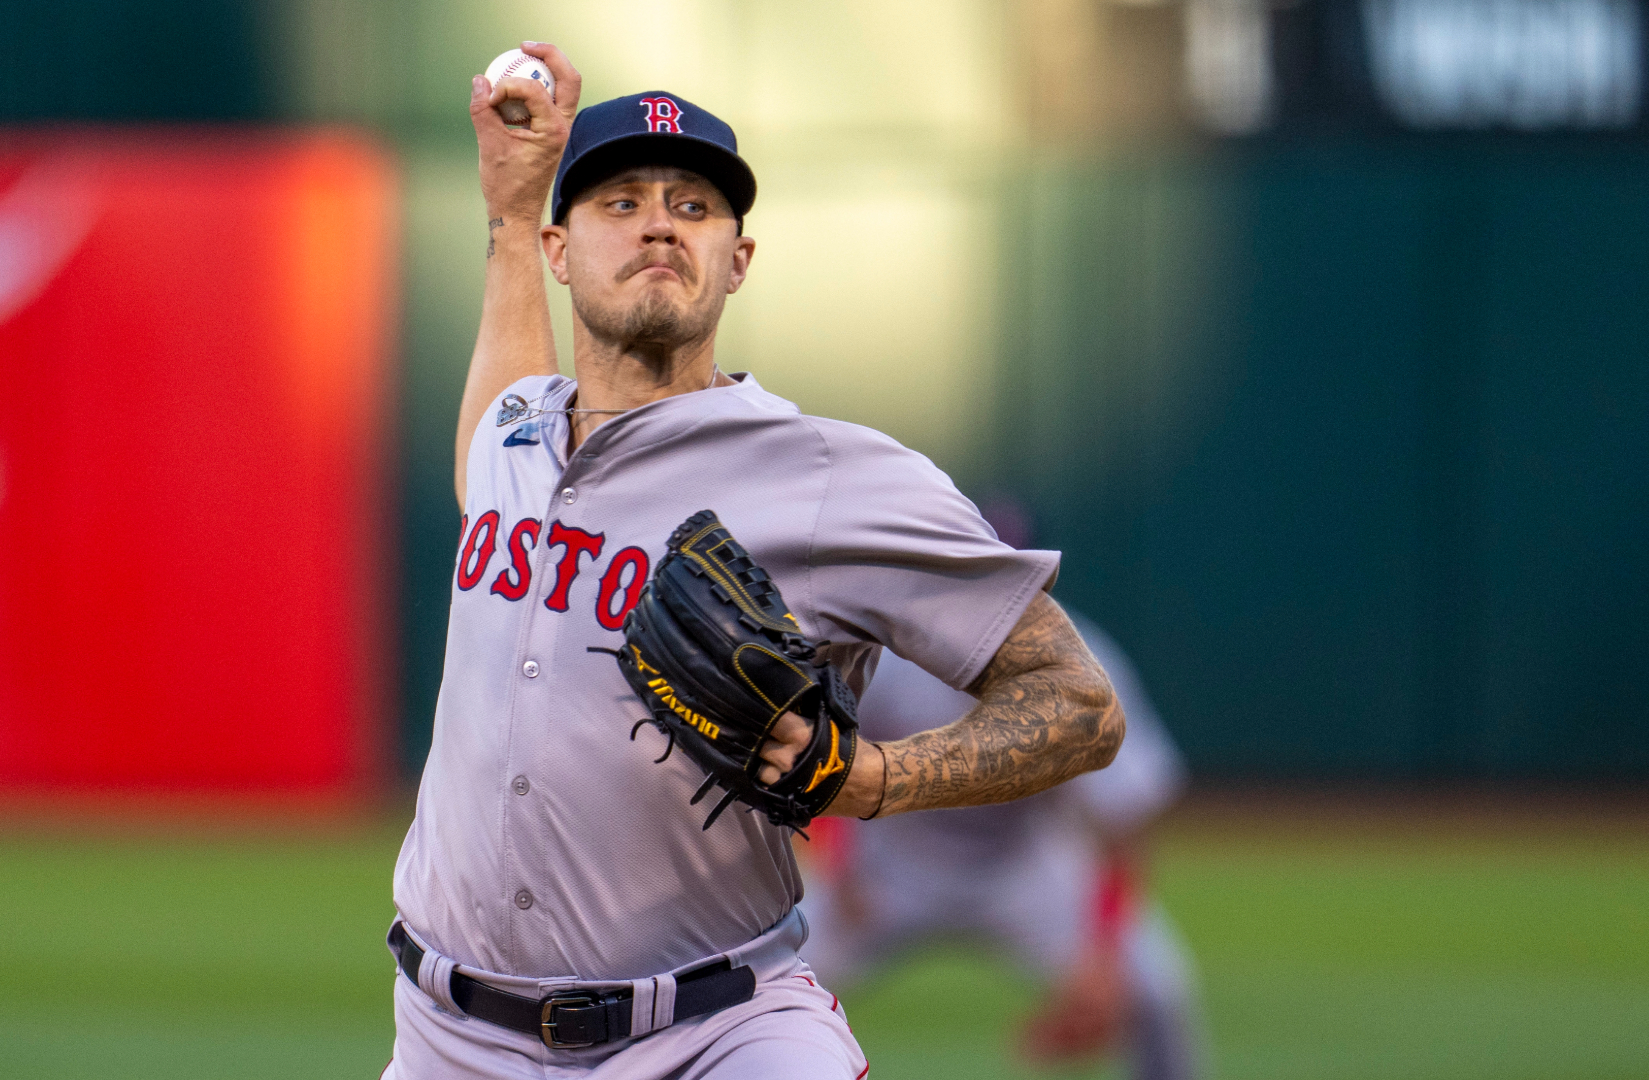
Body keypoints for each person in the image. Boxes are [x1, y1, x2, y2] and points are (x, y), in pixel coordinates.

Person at [384, 42, 1126, 1079]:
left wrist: (873, 779)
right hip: (449, 1038)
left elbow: (1081, 705)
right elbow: (488, 452)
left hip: (716, 1033)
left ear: (737, 260)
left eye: (693, 207)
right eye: (619, 201)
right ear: (562, 250)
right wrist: (508, 214)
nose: (657, 222)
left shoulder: (832, 475)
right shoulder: (516, 429)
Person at [799, 602, 1207, 1080]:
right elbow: (818, 758)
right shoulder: (889, 656)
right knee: (765, 971)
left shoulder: (1078, 658)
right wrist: (837, 865)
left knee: (1155, 991)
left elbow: (1122, 822)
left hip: (1026, 867)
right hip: (890, 863)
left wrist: (1106, 954)